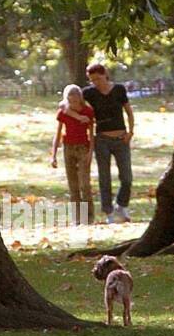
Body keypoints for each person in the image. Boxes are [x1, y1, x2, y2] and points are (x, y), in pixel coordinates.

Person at [82, 62, 133, 224]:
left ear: (105, 74)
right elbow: (69, 102)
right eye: (92, 80)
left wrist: (130, 131)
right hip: (102, 140)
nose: (96, 82)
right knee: (104, 178)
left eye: (98, 78)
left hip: (121, 139)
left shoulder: (119, 89)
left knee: (127, 177)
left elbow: (128, 111)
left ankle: (122, 204)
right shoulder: (89, 93)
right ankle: (108, 212)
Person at [50, 83, 95, 226]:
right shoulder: (63, 112)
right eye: (70, 102)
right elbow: (58, 133)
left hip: (83, 148)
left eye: (76, 101)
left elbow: (91, 133)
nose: (74, 104)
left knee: (84, 184)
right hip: (68, 147)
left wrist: (90, 152)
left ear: (80, 99)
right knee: (73, 184)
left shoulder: (87, 111)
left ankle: (89, 217)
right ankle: (77, 218)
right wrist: (54, 154)